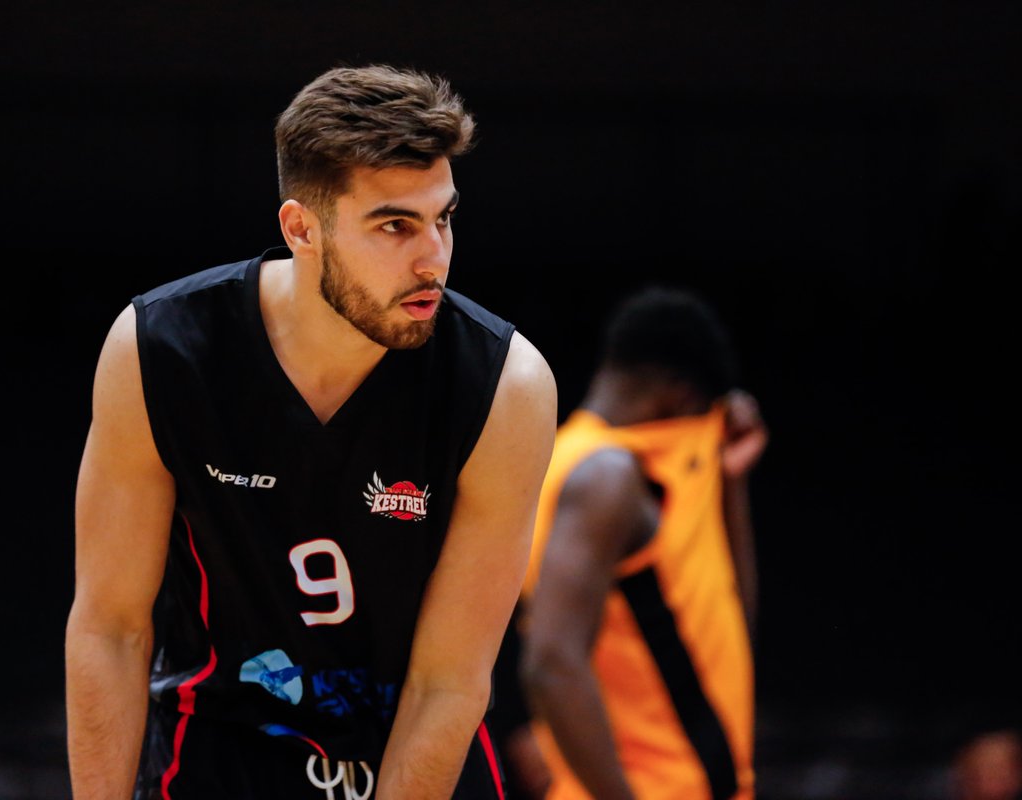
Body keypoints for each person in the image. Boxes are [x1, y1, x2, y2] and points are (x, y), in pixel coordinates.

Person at [64, 64, 557, 800]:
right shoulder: (160, 349)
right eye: (395, 225)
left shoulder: (506, 385)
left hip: (412, 746)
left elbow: (449, 683)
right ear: (301, 228)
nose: (434, 258)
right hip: (218, 748)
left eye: (444, 218)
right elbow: (111, 628)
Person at [516, 286, 766, 800]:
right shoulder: (609, 478)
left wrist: (730, 480)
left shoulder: (571, 460)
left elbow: (728, 624)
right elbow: (552, 663)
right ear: (679, 396)